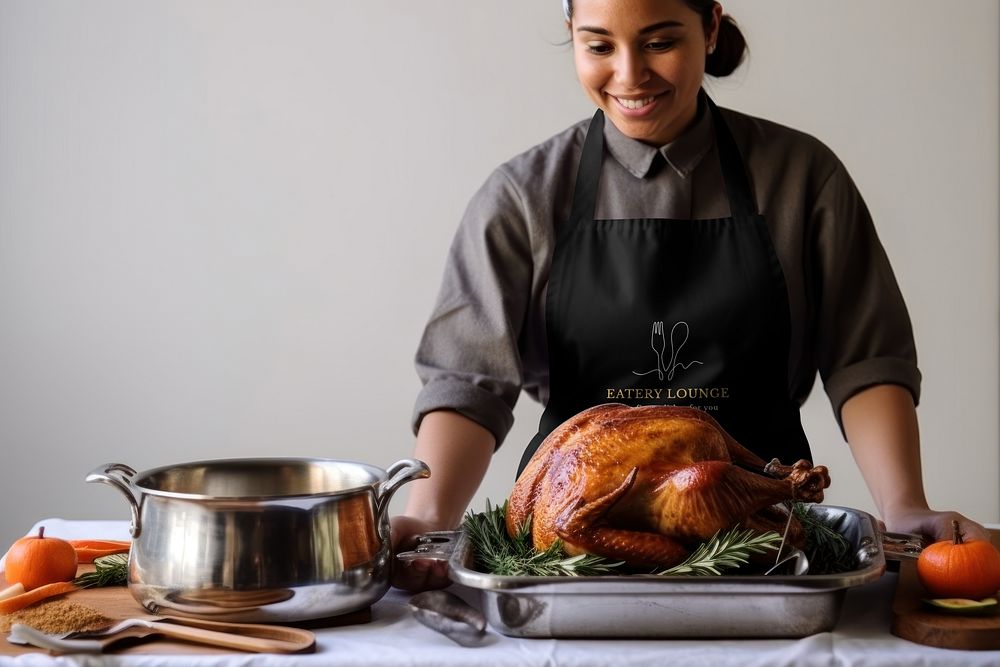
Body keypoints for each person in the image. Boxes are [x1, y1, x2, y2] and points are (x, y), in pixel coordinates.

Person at [390, 0, 989, 591]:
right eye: (599, 46)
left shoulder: (802, 177)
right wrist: (429, 517)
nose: (629, 74)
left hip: (763, 541)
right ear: (571, 34)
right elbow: (468, 383)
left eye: (660, 42)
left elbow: (865, 360)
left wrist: (905, 504)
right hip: (574, 547)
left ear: (710, 28)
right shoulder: (524, 195)